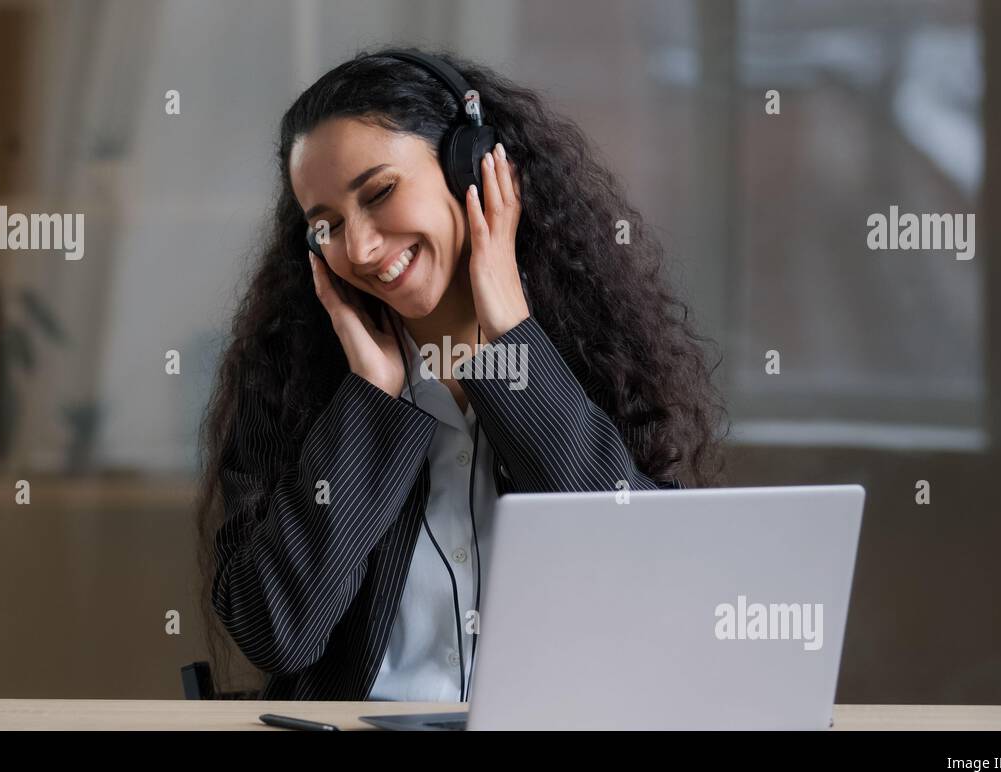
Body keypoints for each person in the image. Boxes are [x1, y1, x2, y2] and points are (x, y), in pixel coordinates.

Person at [195, 48, 728, 701]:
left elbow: (649, 579)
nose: (358, 248)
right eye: (326, 226)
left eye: (380, 192)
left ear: (471, 169)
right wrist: (368, 403)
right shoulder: (291, 378)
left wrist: (513, 345)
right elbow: (276, 632)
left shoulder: (596, 352)